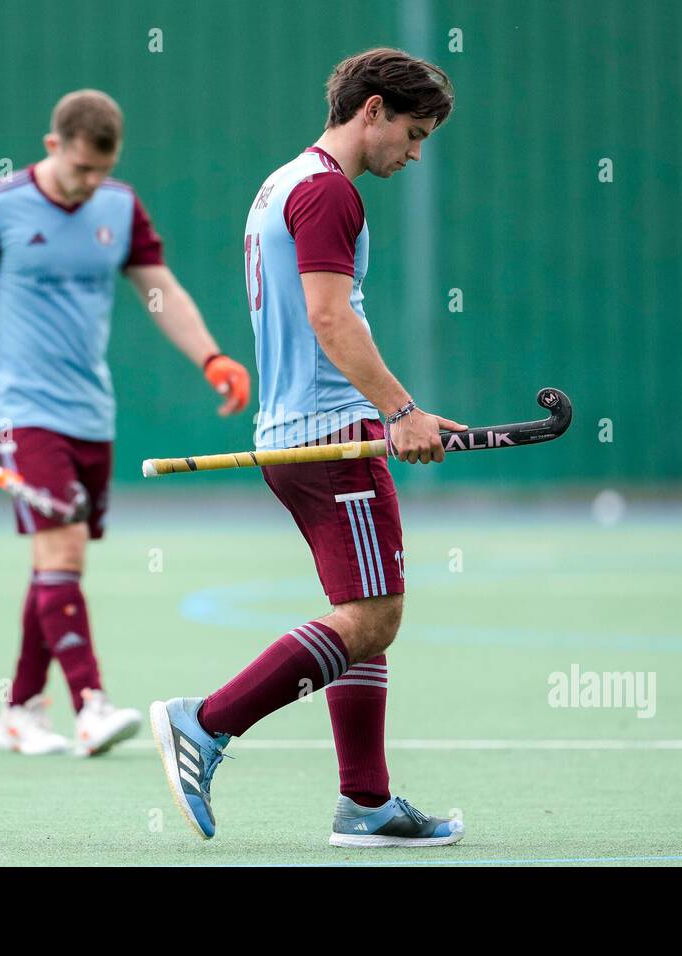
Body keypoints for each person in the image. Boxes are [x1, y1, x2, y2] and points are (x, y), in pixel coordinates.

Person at [151, 49, 466, 845]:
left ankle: (366, 803)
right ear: (372, 111)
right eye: (414, 132)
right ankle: (205, 722)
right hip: (329, 438)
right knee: (373, 616)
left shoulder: (284, 180)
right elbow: (330, 321)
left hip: (307, 432)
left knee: (363, 610)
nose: (415, 152)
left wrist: (405, 415)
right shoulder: (329, 192)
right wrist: (399, 410)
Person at [0, 89, 249, 757]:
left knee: (55, 559)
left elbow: (158, 288)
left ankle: (20, 711)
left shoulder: (119, 205)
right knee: (63, 550)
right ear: (53, 147)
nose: (90, 185)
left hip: (91, 413)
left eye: (102, 172)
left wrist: (212, 357)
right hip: (22, 410)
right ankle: (91, 705)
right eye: (80, 170)